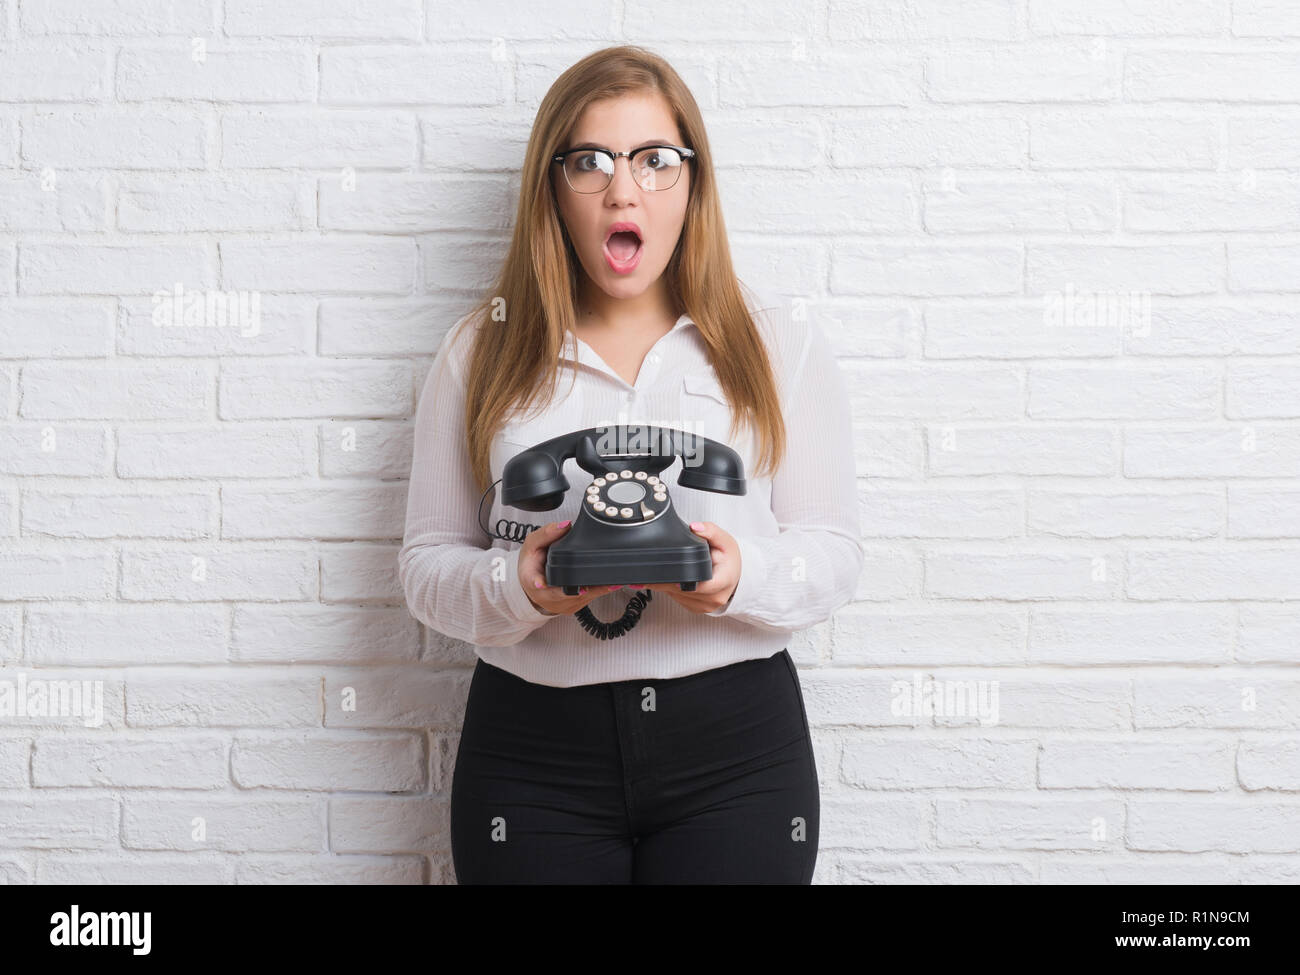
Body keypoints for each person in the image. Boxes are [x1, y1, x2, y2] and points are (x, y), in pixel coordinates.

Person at [399, 45, 863, 884]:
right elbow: (426, 564)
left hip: (738, 752)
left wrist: (739, 575)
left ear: (692, 181)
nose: (624, 189)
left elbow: (833, 549)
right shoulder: (481, 351)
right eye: (591, 161)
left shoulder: (775, 344)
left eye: (655, 160)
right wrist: (518, 587)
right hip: (532, 752)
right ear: (553, 185)